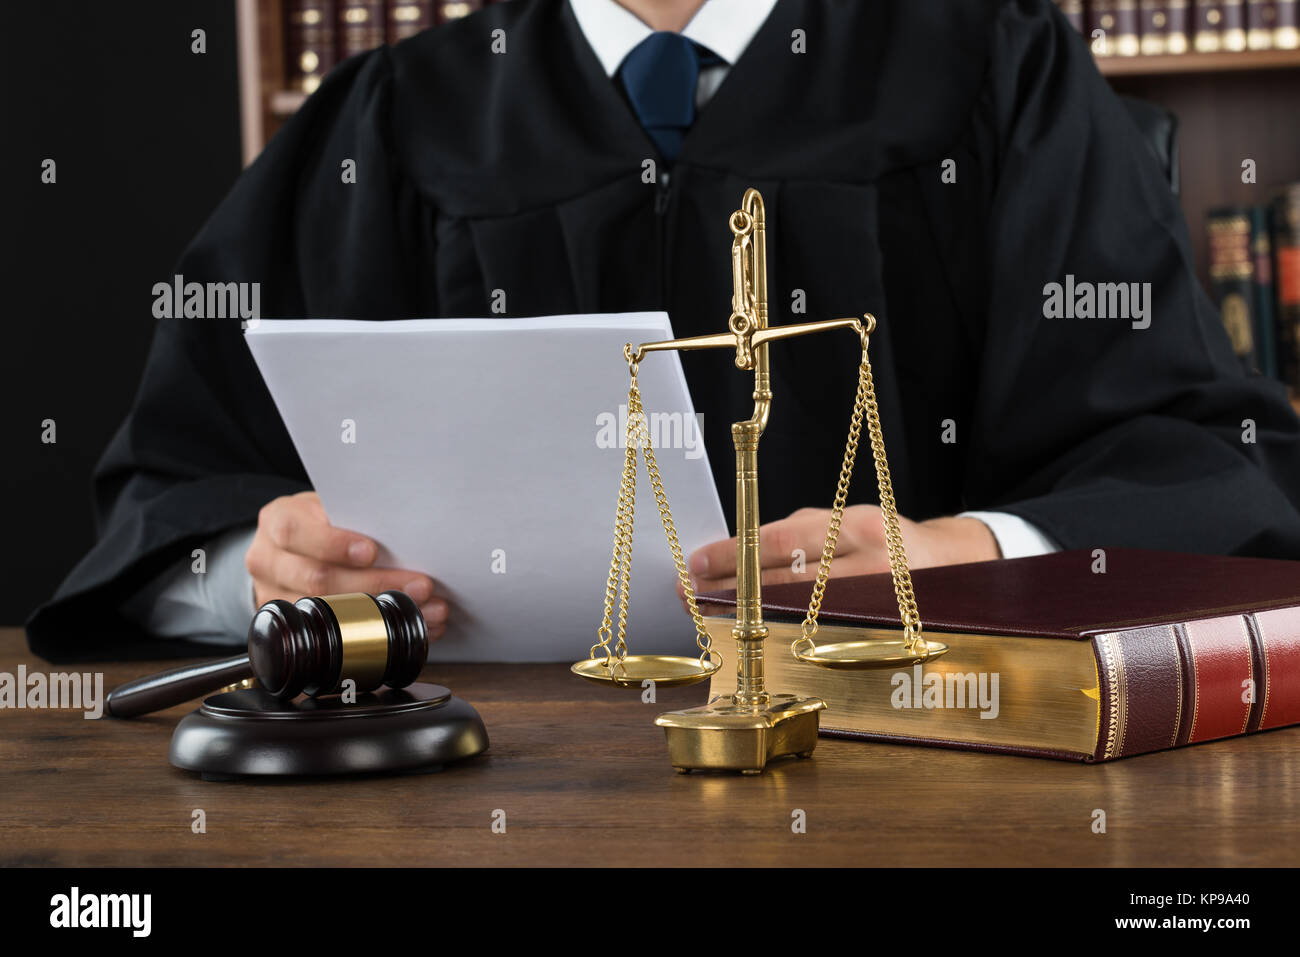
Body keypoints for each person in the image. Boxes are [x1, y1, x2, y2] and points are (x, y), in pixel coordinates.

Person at [27, 0, 1300, 661]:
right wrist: (269, 571)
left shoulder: (994, 71)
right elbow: (174, 495)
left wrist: (959, 554)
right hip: (474, 803)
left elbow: (1204, 463)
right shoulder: (391, 120)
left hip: (932, 776)